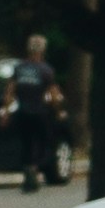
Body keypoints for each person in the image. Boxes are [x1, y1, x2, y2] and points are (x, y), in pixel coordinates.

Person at [10, 34, 61, 190]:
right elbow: (53, 95)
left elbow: (9, 91)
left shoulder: (19, 68)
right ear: (43, 50)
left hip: (22, 112)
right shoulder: (46, 70)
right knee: (44, 142)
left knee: (26, 143)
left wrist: (5, 111)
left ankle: (28, 168)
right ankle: (35, 167)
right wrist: (57, 110)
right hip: (40, 112)